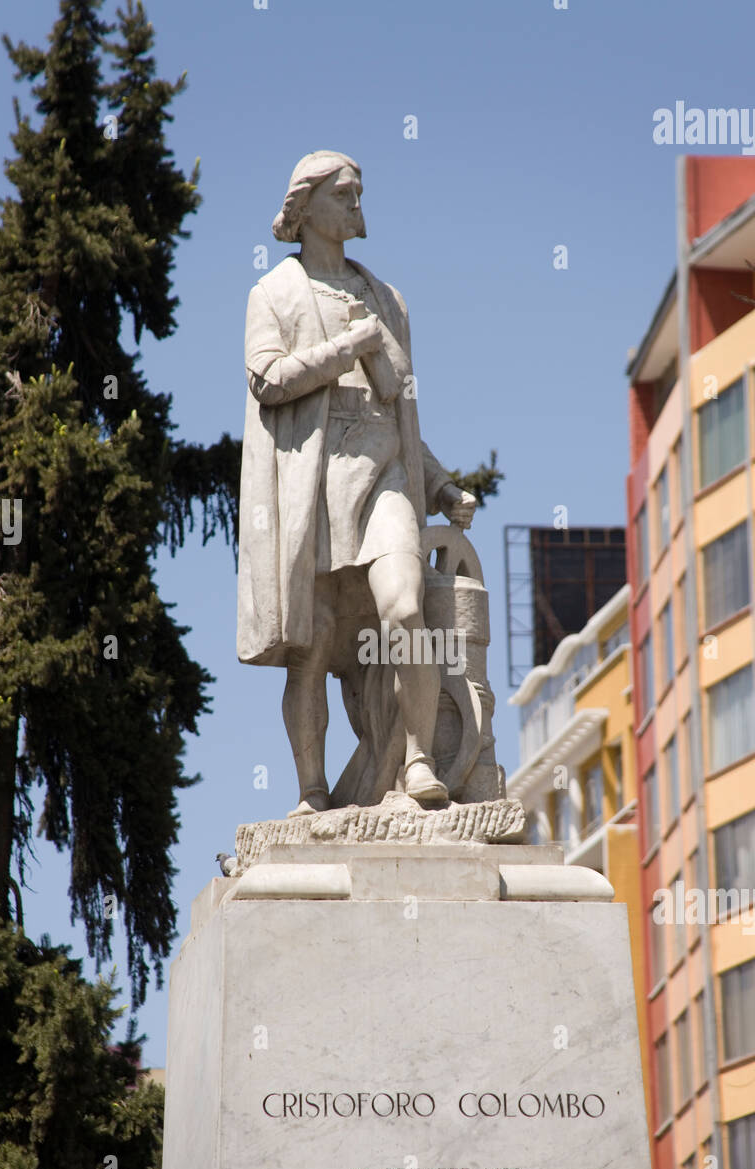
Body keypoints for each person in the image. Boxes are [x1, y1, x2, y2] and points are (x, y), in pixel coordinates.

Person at [237, 151, 476, 814]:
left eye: (358, 193)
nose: (356, 204)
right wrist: (347, 348)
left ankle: (420, 763)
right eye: (342, 195)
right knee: (309, 649)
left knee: (404, 609)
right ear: (305, 207)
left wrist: (440, 485)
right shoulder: (275, 294)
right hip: (308, 485)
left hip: (382, 476)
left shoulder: (385, 298)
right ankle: (313, 793)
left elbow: (397, 410)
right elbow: (266, 378)